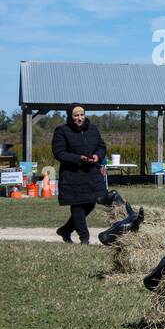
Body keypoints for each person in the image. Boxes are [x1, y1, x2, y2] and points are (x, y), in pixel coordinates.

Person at [51, 104, 109, 244]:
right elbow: (59, 153)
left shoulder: (93, 129)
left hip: (91, 173)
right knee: (77, 205)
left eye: (81, 115)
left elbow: (101, 146)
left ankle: (65, 230)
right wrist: (78, 158)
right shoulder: (61, 131)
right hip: (72, 175)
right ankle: (84, 239)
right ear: (70, 116)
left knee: (90, 204)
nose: (80, 118)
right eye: (76, 115)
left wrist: (97, 156)